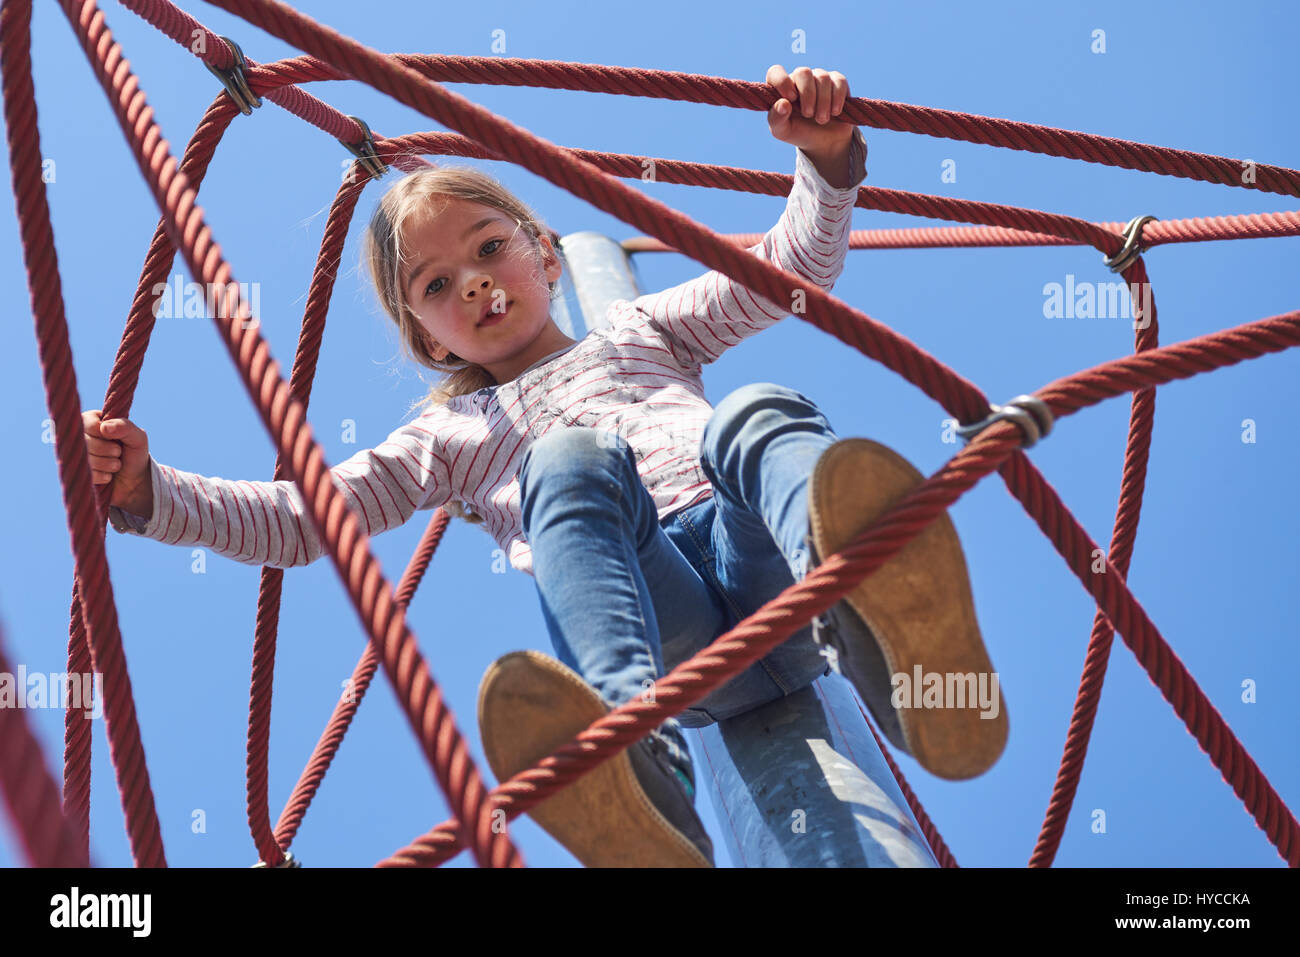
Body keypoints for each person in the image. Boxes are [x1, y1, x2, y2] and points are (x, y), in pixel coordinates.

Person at [83, 65, 1005, 868]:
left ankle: (885, 625)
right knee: (564, 460)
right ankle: (633, 756)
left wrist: (826, 160)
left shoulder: (643, 329)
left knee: (756, 410)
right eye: (437, 287)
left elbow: (789, 271)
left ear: (546, 255)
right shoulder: (451, 439)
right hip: (673, 633)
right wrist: (151, 494)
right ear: (430, 343)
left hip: (772, 576)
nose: (475, 283)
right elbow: (303, 520)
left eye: (489, 248)